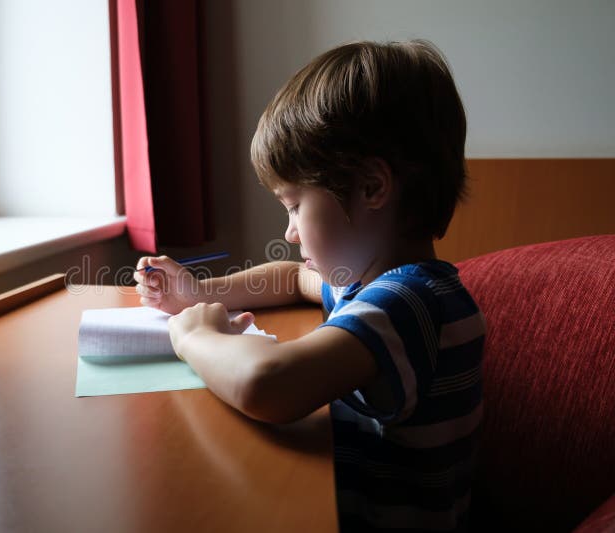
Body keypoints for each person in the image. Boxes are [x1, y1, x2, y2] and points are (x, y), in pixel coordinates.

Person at [133, 40, 485, 532]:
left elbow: (267, 384)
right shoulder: (366, 281)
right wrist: (199, 293)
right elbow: (293, 275)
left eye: (295, 205)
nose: (290, 232)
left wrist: (194, 336)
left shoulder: (410, 303)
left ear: (371, 188)